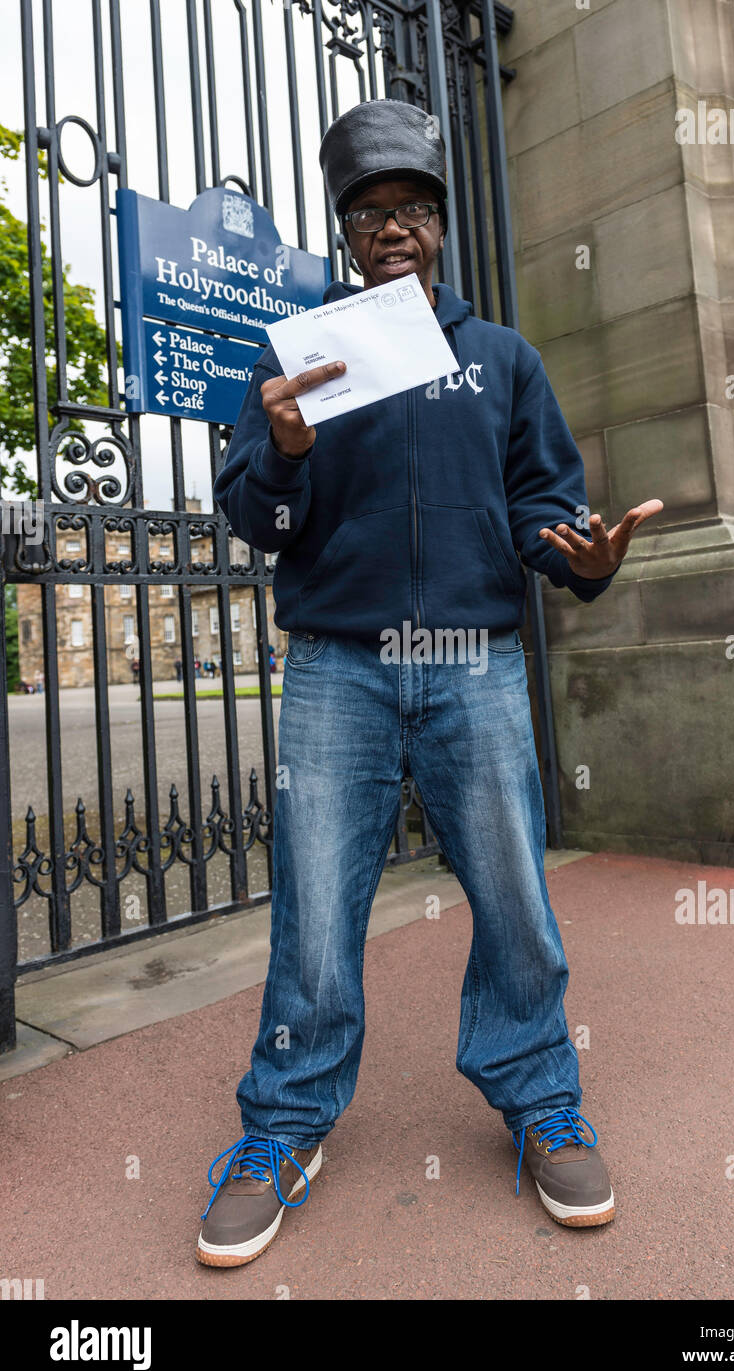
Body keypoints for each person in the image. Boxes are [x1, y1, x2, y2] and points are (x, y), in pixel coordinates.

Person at [203, 98, 663, 1267]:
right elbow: (256, 515)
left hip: (473, 661)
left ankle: (539, 1098)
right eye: (368, 214)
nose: (390, 228)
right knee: (313, 905)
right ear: (348, 235)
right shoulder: (299, 355)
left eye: (409, 208)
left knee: (512, 891)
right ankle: (286, 1125)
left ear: (440, 224)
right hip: (336, 669)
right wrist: (287, 456)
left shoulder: (503, 358)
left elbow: (544, 508)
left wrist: (584, 558)